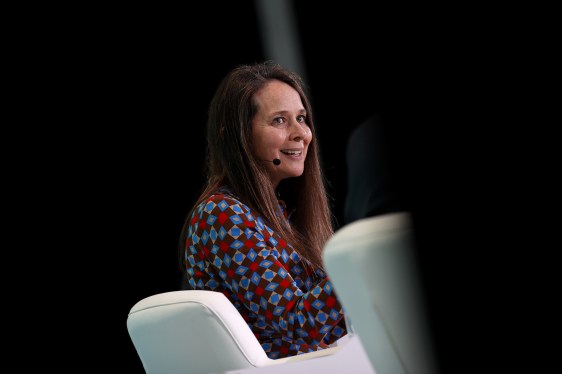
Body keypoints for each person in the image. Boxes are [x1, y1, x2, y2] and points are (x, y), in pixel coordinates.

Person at [178, 61, 347, 359]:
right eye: (279, 121)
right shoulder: (221, 215)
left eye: (301, 118)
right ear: (237, 135)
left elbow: (329, 327)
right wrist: (357, 267)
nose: (301, 133)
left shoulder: (275, 214)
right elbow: (298, 324)